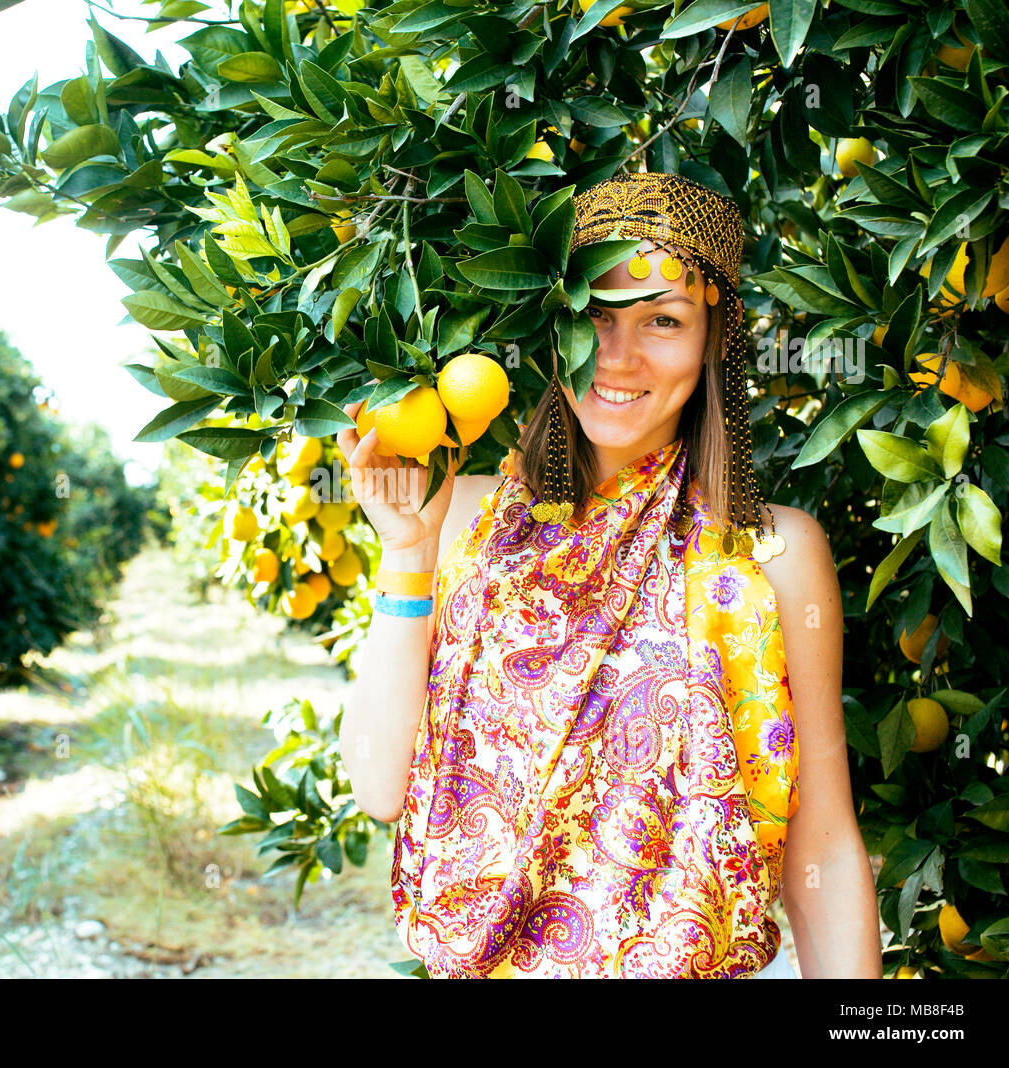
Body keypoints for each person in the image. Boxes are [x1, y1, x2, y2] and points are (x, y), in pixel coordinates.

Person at [336, 172, 882, 979]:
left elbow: (826, 848)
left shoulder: (773, 556)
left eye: (664, 318)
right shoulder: (456, 517)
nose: (618, 356)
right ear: (553, 320)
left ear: (717, 338)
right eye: (596, 313)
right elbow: (382, 787)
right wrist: (408, 553)